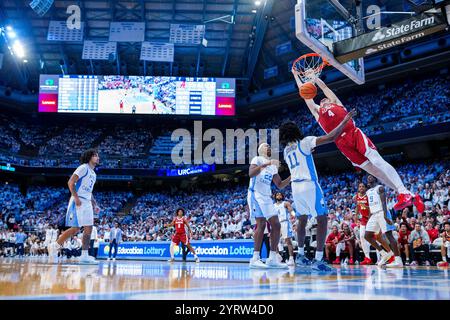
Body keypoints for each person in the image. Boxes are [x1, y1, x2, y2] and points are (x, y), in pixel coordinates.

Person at [291, 69, 424, 213]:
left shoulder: (336, 103)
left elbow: (324, 88)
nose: (322, 99)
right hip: (342, 145)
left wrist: (314, 78)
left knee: (377, 160)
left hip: (353, 133)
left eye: (325, 99)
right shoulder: (317, 112)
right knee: (376, 172)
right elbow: (305, 95)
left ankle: (403, 191)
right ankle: (408, 195)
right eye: (321, 100)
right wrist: (296, 75)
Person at [279, 108, 355, 272]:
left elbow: (301, 156)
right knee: (322, 219)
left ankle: (300, 255)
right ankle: (319, 259)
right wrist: (344, 121)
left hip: (295, 188)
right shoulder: (305, 142)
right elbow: (331, 137)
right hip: (309, 185)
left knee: (302, 220)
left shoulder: (286, 151)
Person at [48, 149, 101, 264]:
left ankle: (85, 255)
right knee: (76, 228)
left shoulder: (94, 173)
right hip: (78, 200)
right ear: (89, 157)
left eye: (98, 156)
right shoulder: (83, 168)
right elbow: (71, 182)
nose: (98, 157)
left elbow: (89, 192)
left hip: (87, 202)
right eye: (95, 155)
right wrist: (76, 198)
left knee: (89, 229)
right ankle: (55, 245)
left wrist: (94, 203)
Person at [247, 143, 291, 269]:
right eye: (266, 146)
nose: (269, 147)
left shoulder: (273, 167)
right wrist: (267, 163)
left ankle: (272, 258)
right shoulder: (257, 159)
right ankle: (255, 258)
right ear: (260, 149)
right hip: (255, 194)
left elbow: (280, 184)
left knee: (276, 225)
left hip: (266, 197)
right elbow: (251, 173)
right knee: (260, 224)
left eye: (270, 146)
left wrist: (292, 177)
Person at [363, 175, 403, 268]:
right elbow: (371, 206)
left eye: (371, 176)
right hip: (373, 214)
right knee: (367, 236)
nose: (369, 177)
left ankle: (398, 260)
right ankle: (385, 254)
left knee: (389, 236)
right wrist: (369, 218)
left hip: (382, 212)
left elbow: (384, 202)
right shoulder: (368, 192)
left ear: (375, 178)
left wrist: (385, 215)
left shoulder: (380, 188)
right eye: (367, 177)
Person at [274, 192, 296, 266]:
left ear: (282, 196)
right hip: (276, 223)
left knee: (288, 241)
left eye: (280, 194)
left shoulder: (285, 203)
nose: (279, 195)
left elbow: (291, 210)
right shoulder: (273, 206)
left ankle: (291, 258)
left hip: (285, 223)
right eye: (277, 194)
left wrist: (293, 215)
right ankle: (277, 256)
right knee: (273, 240)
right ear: (275, 196)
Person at [354, 182, 372, 265]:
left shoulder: (368, 196)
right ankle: (367, 257)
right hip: (363, 219)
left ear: (365, 188)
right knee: (362, 236)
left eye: (363, 186)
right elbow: (358, 206)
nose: (361, 188)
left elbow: (371, 208)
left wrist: (363, 205)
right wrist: (356, 215)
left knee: (375, 238)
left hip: (371, 218)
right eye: (360, 186)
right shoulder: (357, 196)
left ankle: (383, 257)